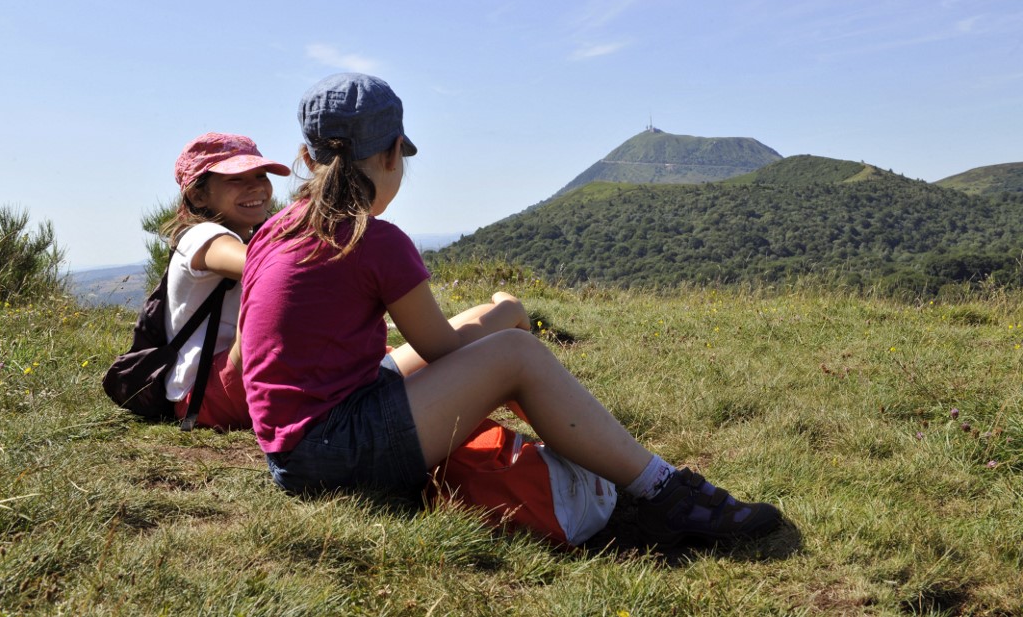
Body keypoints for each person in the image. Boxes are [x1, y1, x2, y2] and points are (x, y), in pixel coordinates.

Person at [239, 73, 782, 546]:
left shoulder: (272, 232)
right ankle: (667, 494)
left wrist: (496, 316)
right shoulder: (372, 239)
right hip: (334, 452)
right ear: (391, 154)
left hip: (292, 450)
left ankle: (581, 433)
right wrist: (504, 332)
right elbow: (443, 350)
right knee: (517, 355)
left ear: (307, 158)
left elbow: (257, 357)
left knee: (494, 334)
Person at [162, 132, 290, 430]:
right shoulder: (203, 235)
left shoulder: (245, 238)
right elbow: (266, 267)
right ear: (198, 195)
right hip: (205, 393)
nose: (256, 186)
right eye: (236, 179)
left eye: (261, 175)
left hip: (222, 383)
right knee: (270, 286)